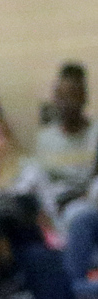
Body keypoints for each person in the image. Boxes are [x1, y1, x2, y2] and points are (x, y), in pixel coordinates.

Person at [35, 62, 98, 201]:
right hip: (57, 202)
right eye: (60, 97)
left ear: (84, 97)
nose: (65, 103)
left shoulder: (95, 133)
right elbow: (42, 181)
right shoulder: (45, 138)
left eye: (72, 96)